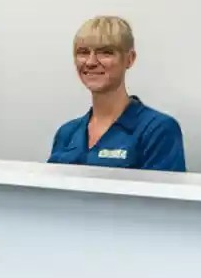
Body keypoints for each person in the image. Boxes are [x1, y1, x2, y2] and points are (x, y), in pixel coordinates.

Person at [48, 16, 185, 172]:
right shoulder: (66, 134)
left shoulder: (157, 131)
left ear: (130, 59)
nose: (91, 62)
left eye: (105, 52)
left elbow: (163, 195)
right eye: (83, 52)